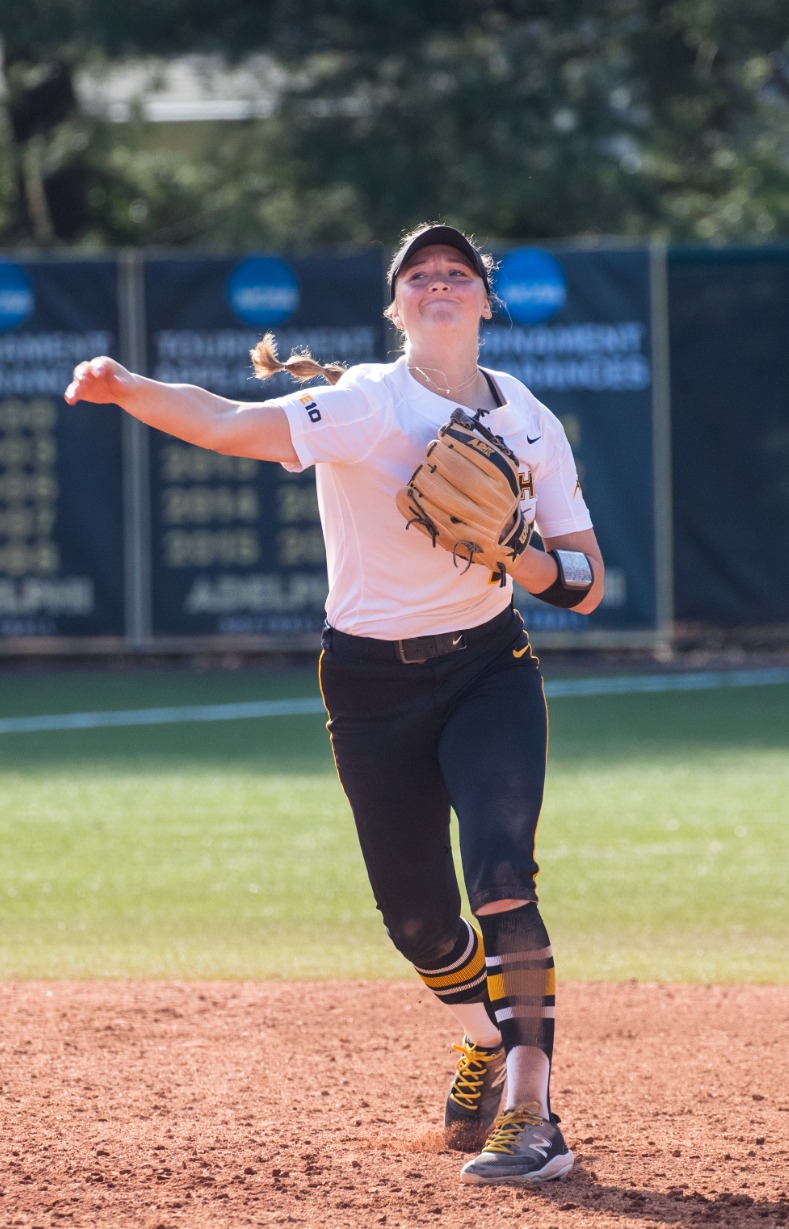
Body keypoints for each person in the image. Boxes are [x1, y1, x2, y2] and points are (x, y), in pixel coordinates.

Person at [65, 223, 603, 1184]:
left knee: (502, 877)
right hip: (369, 684)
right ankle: (483, 1036)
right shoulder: (363, 404)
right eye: (418, 275)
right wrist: (125, 386)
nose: (438, 282)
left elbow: (586, 582)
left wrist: (512, 550)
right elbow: (230, 421)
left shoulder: (531, 422)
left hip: (490, 668)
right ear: (396, 309)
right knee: (422, 926)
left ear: (485, 301)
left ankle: (532, 1113)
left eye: (457, 272)